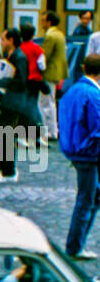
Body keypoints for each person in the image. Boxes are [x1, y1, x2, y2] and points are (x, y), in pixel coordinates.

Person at [58, 52, 100, 261]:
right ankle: (75, 246)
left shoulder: (72, 90)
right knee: (86, 199)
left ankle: (77, 244)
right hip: (89, 154)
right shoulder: (93, 95)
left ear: (84, 67)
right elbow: (98, 128)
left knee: (91, 197)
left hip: (77, 151)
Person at [0, 26, 38, 182]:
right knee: (1, 133)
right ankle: (4, 168)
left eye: (3, 39)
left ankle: (8, 171)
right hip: (5, 99)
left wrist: (2, 81)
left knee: (6, 134)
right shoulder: (9, 55)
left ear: (11, 40)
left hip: (14, 101)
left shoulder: (20, 57)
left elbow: (21, 80)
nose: (1, 42)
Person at [39, 11, 67, 140]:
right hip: (57, 72)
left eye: (44, 20)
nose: (42, 22)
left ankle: (49, 131)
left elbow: (44, 55)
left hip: (49, 72)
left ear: (49, 22)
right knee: (51, 102)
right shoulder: (60, 34)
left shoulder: (50, 36)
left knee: (46, 103)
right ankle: (53, 130)